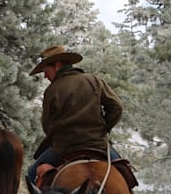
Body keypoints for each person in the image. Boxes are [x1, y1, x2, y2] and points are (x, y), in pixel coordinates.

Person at [26, 45, 124, 185]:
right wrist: (103, 128)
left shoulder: (52, 90)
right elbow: (117, 107)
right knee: (125, 172)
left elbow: (47, 125)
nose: (45, 76)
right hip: (97, 144)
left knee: (31, 175)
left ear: (58, 66)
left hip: (63, 147)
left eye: (46, 71)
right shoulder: (94, 80)